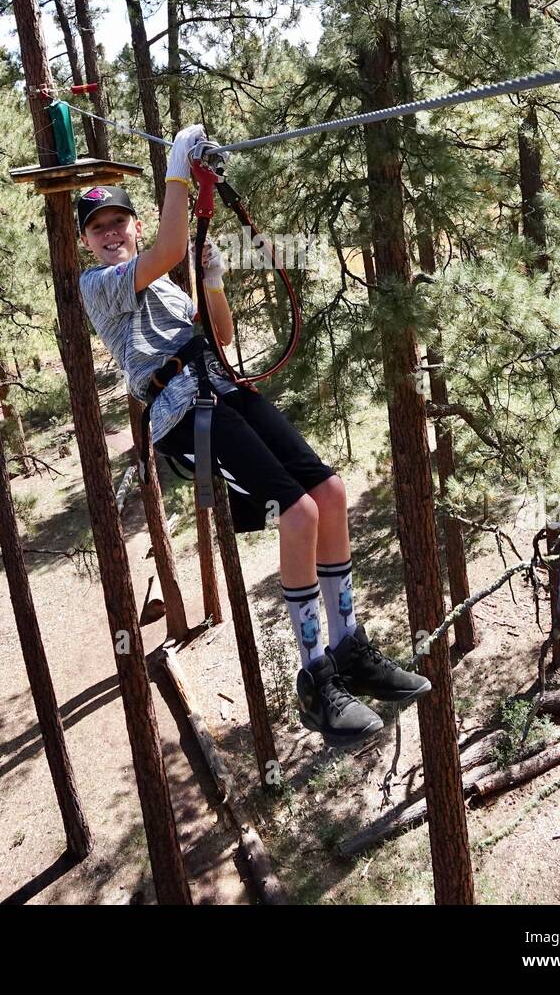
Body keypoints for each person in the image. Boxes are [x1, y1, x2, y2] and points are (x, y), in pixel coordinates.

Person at [77, 123, 431, 746]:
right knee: (297, 514)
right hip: (183, 414)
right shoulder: (101, 285)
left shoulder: (160, 283)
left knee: (331, 495)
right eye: (98, 228)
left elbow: (224, 332)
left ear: (132, 226)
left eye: (118, 223)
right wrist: (180, 169)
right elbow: (167, 244)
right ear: (87, 243)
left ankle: (350, 647)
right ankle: (315, 681)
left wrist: (212, 283)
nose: (110, 233)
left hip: (223, 385)